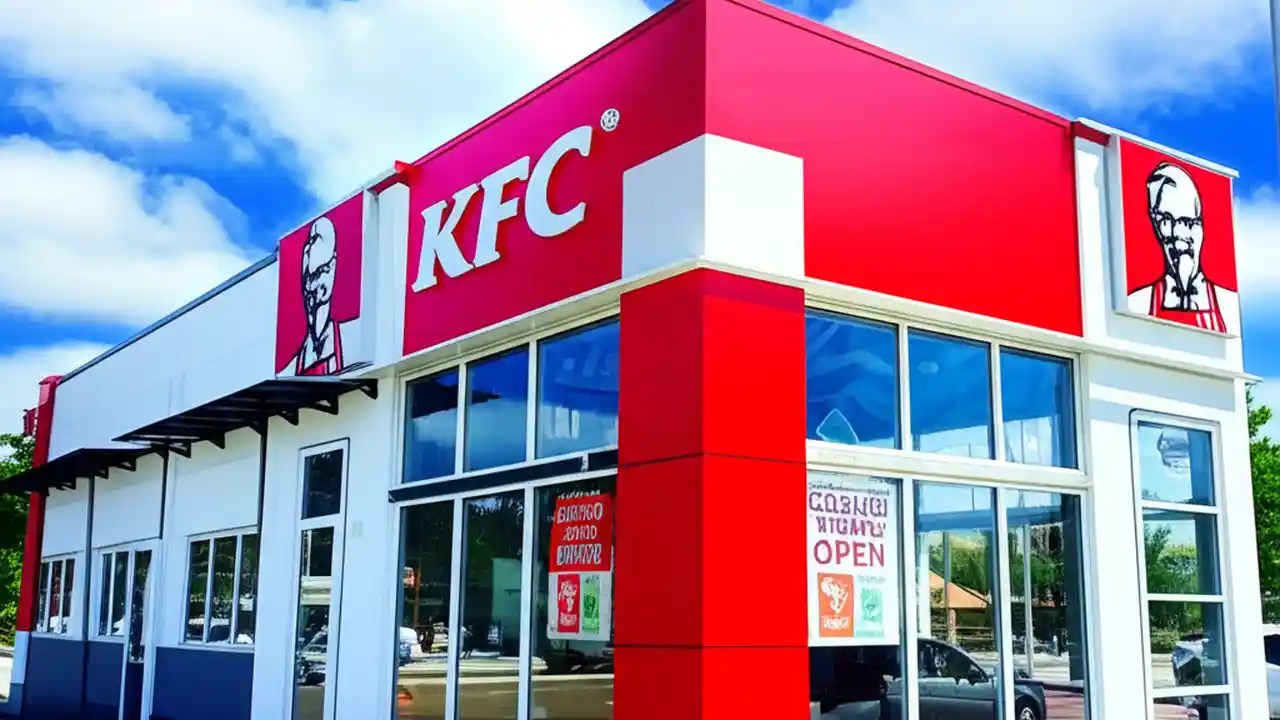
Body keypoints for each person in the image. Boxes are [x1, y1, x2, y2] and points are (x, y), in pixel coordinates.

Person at [1126, 162, 1236, 333]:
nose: (1179, 236)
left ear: (1200, 226)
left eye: (1188, 222)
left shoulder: (1228, 304)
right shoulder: (1137, 304)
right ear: (1156, 226)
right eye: (1166, 220)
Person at [289, 216, 352, 375]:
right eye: (310, 280)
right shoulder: (289, 371)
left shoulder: (353, 342)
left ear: (334, 267)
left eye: (322, 271)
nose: (316, 290)